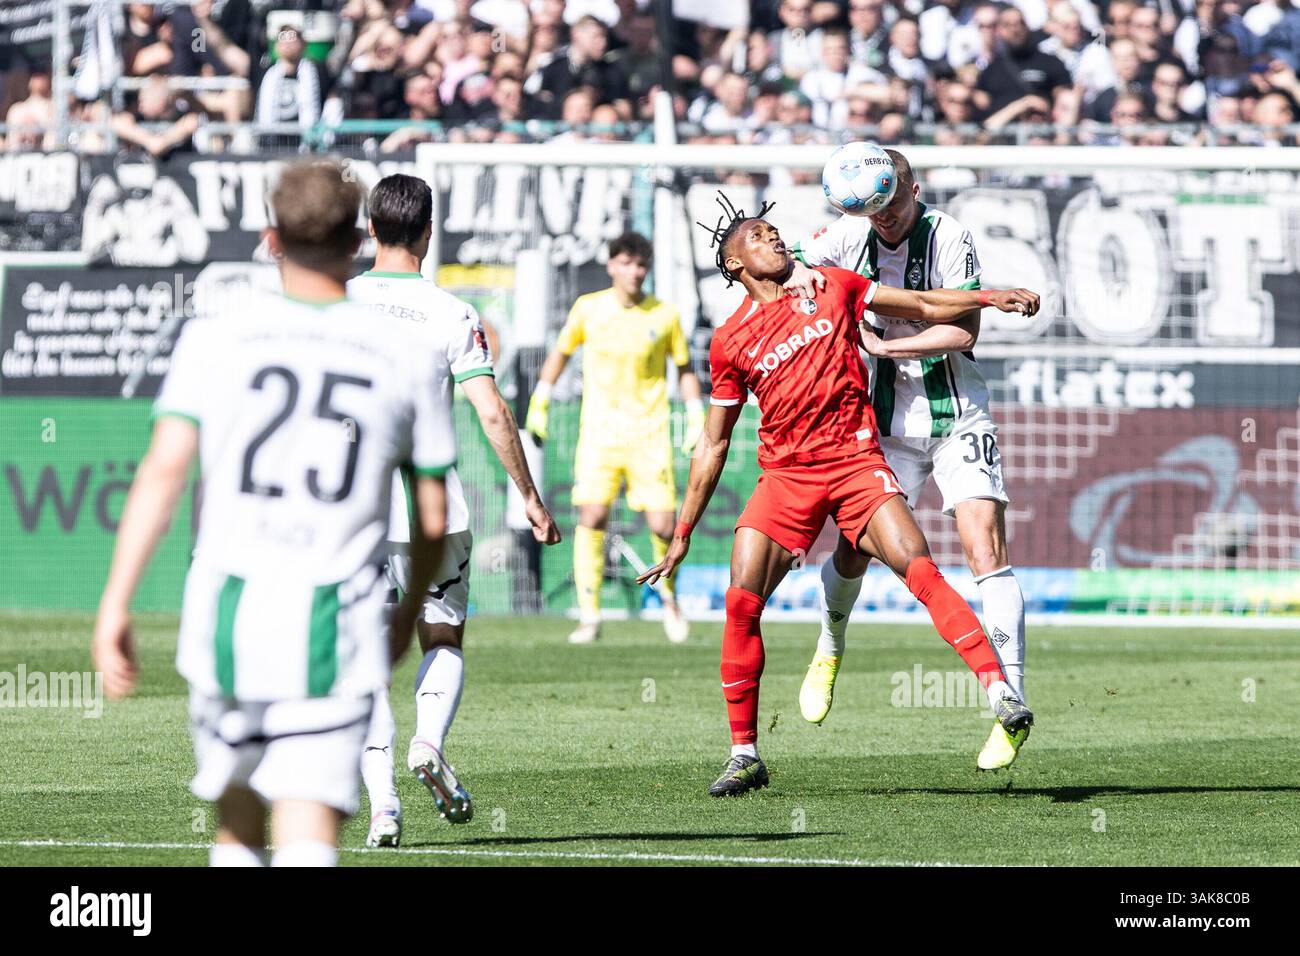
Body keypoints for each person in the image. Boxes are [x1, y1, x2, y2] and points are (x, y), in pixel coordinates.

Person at [91, 160, 456, 866]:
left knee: (237, 827)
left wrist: (116, 604)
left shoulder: (219, 335)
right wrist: (407, 616)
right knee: (308, 831)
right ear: (358, 239)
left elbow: (164, 472)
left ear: (270, 238)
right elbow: (433, 516)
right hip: (338, 619)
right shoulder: (404, 353)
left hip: (228, 613)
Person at [639, 195, 1039, 796]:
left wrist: (989, 296)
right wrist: (680, 537)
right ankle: (743, 753)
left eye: (776, 232)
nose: (775, 240)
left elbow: (926, 304)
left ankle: (1002, 696)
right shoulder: (730, 341)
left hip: (857, 463)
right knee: (742, 603)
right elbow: (713, 445)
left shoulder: (834, 285)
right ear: (734, 263)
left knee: (921, 570)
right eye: (759, 237)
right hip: (787, 479)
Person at [785, 147, 1032, 772]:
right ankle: (830, 643)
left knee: (986, 547)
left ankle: (1011, 700)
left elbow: (963, 330)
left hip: (956, 416)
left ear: (913, 188)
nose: (885, 220)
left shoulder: (949, 234)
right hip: (883, 426)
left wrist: (886, 350)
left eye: (893, 205)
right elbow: (797, 287)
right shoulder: (844, 235)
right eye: (874, 211)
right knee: (852, 550)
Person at [347, 174, 561, 848]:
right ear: (427, 232)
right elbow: (492, 411)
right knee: (442, 637)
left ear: (371, 230)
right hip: (429, 511)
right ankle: (428, 743)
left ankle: (382, 807)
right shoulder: (451, 314)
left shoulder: (332, 307)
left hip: (348, 516)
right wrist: (528, 496)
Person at [525, 232, 703, 646]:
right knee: (591, 517)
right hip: (600, 433)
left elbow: (685, 368)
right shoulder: (589, 309)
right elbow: (561, 352)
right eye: (626, 263)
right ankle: (590, 615)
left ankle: (670, 602)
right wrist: (542, 398)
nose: (634, 271)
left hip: (650, 433)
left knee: (663, 523)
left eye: (641, 264)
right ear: (611, 266)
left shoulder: (665, 315)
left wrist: (696, 415)